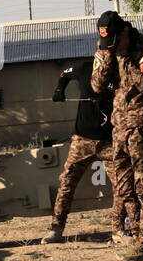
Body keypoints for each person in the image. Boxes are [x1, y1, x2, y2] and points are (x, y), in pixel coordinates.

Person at [91, 10, 143, 261]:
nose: (108, 46)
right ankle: (134, 235)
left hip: (140, 125)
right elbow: (97, 85)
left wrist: (122, 57)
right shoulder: (106, 48)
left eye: (113, 40)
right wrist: (110, 55)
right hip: (118, 127)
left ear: (122, 32)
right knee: (123, 187)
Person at [41, 57, 123, 243]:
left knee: (121, 186)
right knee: (67, 183)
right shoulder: (85, 67)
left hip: (109, 142)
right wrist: (59, 89)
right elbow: (64, 74)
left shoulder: (119, 71)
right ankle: (56, 229)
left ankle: (118, 230)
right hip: (82, 140)